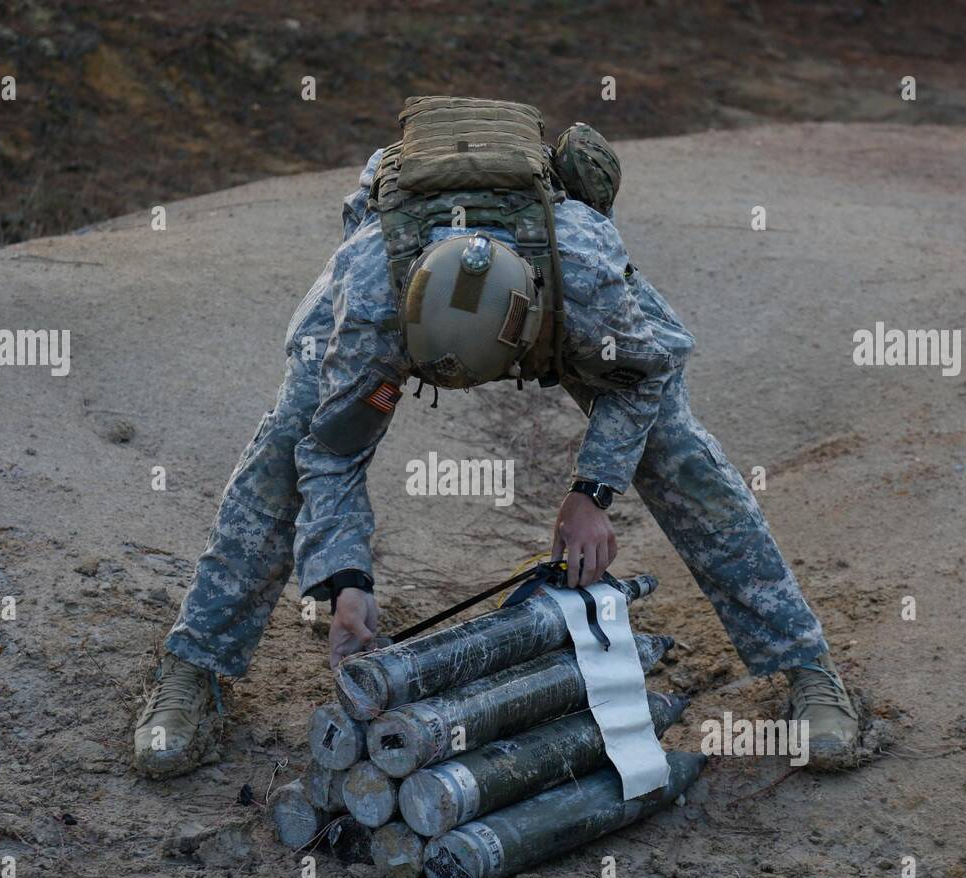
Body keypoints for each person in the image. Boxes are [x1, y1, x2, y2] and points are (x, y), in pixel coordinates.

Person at [133, 98, 859, 780]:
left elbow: (645, 372)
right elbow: (331, 451)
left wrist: (592, 491)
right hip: (391, 311)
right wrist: (344, 579)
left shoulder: (582, 272)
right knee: (279, 454)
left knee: (681, 455)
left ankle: (806, 666)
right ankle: (193, 667)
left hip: (558, 309)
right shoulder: (371, 302)